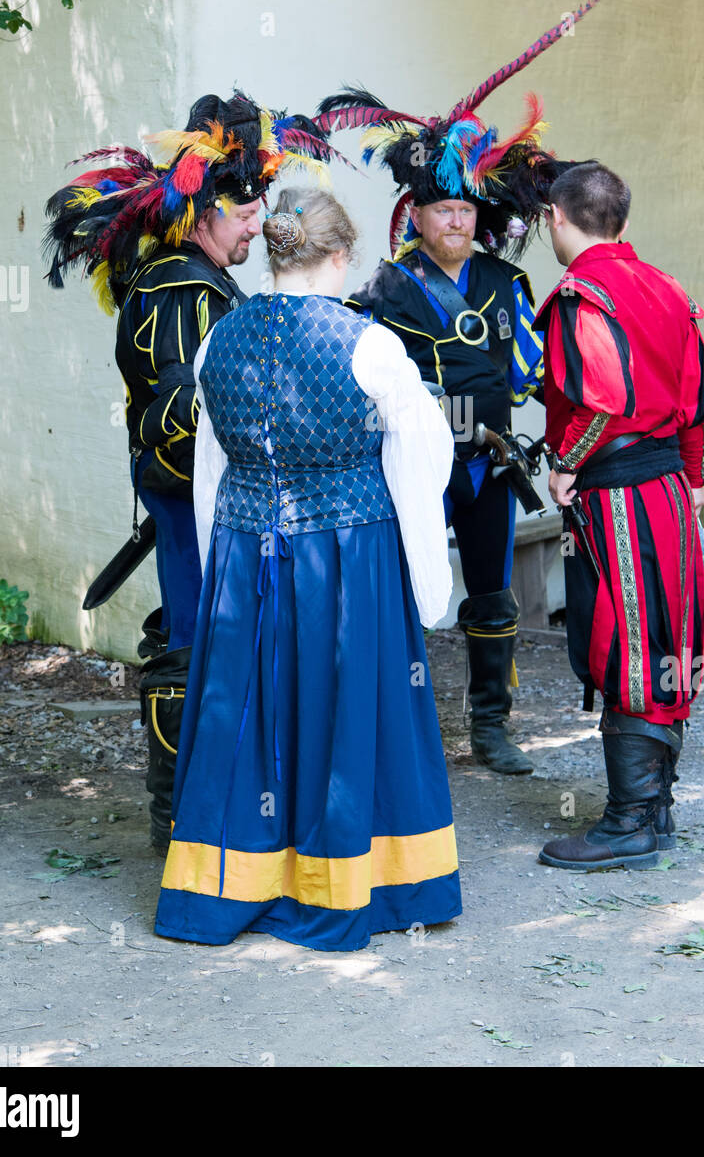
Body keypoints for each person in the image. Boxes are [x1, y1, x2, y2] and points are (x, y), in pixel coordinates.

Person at [154, 188, 462, 951]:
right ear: (338, 256)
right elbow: (422, 456)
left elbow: (210, 469)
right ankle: (354, 877)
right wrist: (429, 581)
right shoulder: (369, 345)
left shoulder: (218, 337)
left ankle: (236, 881)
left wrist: (222, 557)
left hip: (242, 553)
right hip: (348, 557)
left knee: (253, 710)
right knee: (346, 706)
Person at [316, 0, 605, 775]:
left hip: (488, 460)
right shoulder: (383, 289)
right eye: (442, 210)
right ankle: (399, 729)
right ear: (418, 213)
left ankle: (491, 726)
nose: (456, 222)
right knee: (405, 586)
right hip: (411, 457)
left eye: (465, 210)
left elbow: (536, 372)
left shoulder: (506, 283)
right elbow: (364, 387)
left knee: (492, 594)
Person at [43, 93, 336, 851]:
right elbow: (185, 413)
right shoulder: (180, 285)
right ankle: (175, 819)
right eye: (244, 215)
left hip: (212, 500)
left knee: (207, 638)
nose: (256, 227)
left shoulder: (198, 277)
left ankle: (212, 805)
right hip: (192, 501)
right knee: (189, 645)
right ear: (203, 213)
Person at [532, 162, 704, 871]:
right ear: (623, 224)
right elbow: (697, 399)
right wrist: (694, 481)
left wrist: (566, 464)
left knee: (628, 642)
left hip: (617, 493)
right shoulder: (669, 289)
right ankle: (656, 810)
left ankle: (630, 821)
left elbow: (603, 400)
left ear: (556, 217)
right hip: (667, 485)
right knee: (668, 636)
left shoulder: (583, 295)